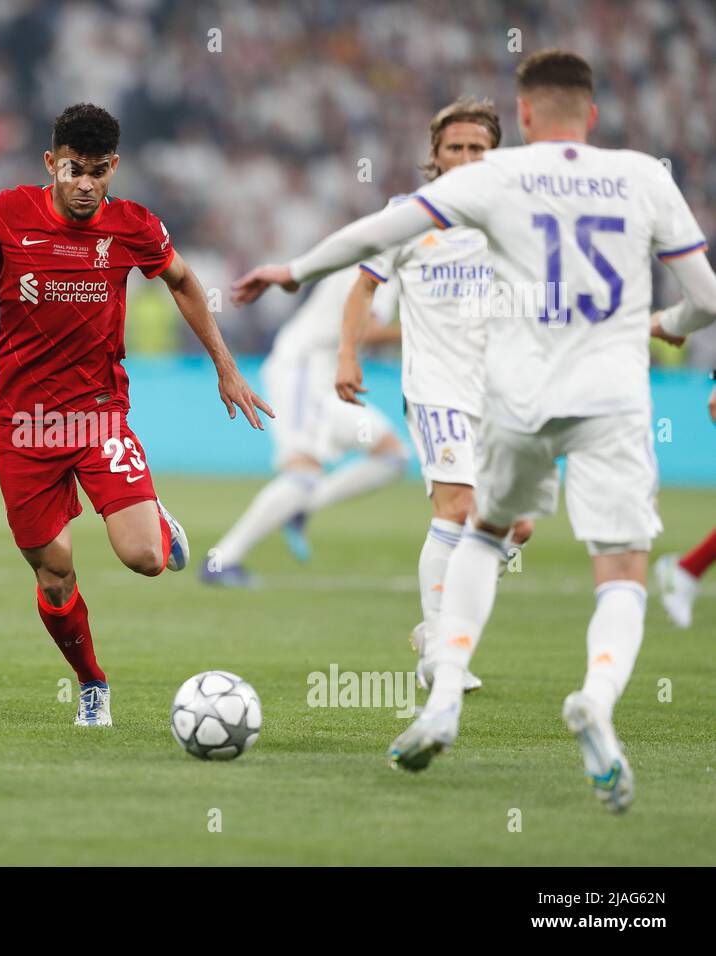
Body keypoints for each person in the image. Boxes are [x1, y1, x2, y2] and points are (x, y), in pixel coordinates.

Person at [232, 50, 716, 812]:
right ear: (592, 114)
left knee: (494, 534)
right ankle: (590, 698)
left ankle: (444, 695)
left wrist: (292, 271)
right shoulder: (642, 176)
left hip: (516, 394)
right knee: (618, 574)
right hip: (602, 396)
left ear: (522, 118)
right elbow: (707, 299)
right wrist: (665, 323)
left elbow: (372, 230)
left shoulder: (502, 181)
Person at [0, 103, 271, 727]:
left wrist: (225, 365)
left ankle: (154, 520)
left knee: (145, 559)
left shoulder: (134, 226)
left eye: (98, 171)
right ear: (50, 164)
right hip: (22, 425)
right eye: (74, 170)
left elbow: (184, 281)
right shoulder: (6, 212)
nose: (85, 184)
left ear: (114, 167)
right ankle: (92, 683)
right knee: (54, 575)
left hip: (97, 416)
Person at [336, 96, 534, 691]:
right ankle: (442, 653)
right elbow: (362, 288)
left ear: (494, 153)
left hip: (502, 392)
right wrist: (347, 354)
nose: (467, 157)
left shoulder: (515, 217)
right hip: (435, 388)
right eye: (456, 147)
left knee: (515, 528)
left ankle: (440, 629)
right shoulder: (407, 215)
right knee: (457, 509)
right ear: (436, 154)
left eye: (478, 148)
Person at [202, 264, 406, 588]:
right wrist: (423, 334)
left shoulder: (377, 254)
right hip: (302, 369)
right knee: (302, 472)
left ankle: (302, 506)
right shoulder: (382, 263)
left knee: (392, 456)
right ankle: (222, 560)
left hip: (328, 380)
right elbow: (366, 331)